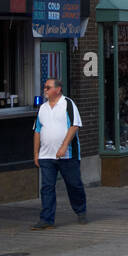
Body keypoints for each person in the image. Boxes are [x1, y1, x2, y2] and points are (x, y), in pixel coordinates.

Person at [30, 77, 87, 230]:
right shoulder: (42, 108)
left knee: (74, 184)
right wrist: (36, 153)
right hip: (46, 155)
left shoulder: (68, 104)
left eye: (48, 87)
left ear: (58, 89)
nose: (45, 90)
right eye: (45, 87)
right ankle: (47, 219)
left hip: (67, 155)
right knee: (47, 187)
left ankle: (81, 210)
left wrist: (64, 146)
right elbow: (37, 131)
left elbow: (75, 126)